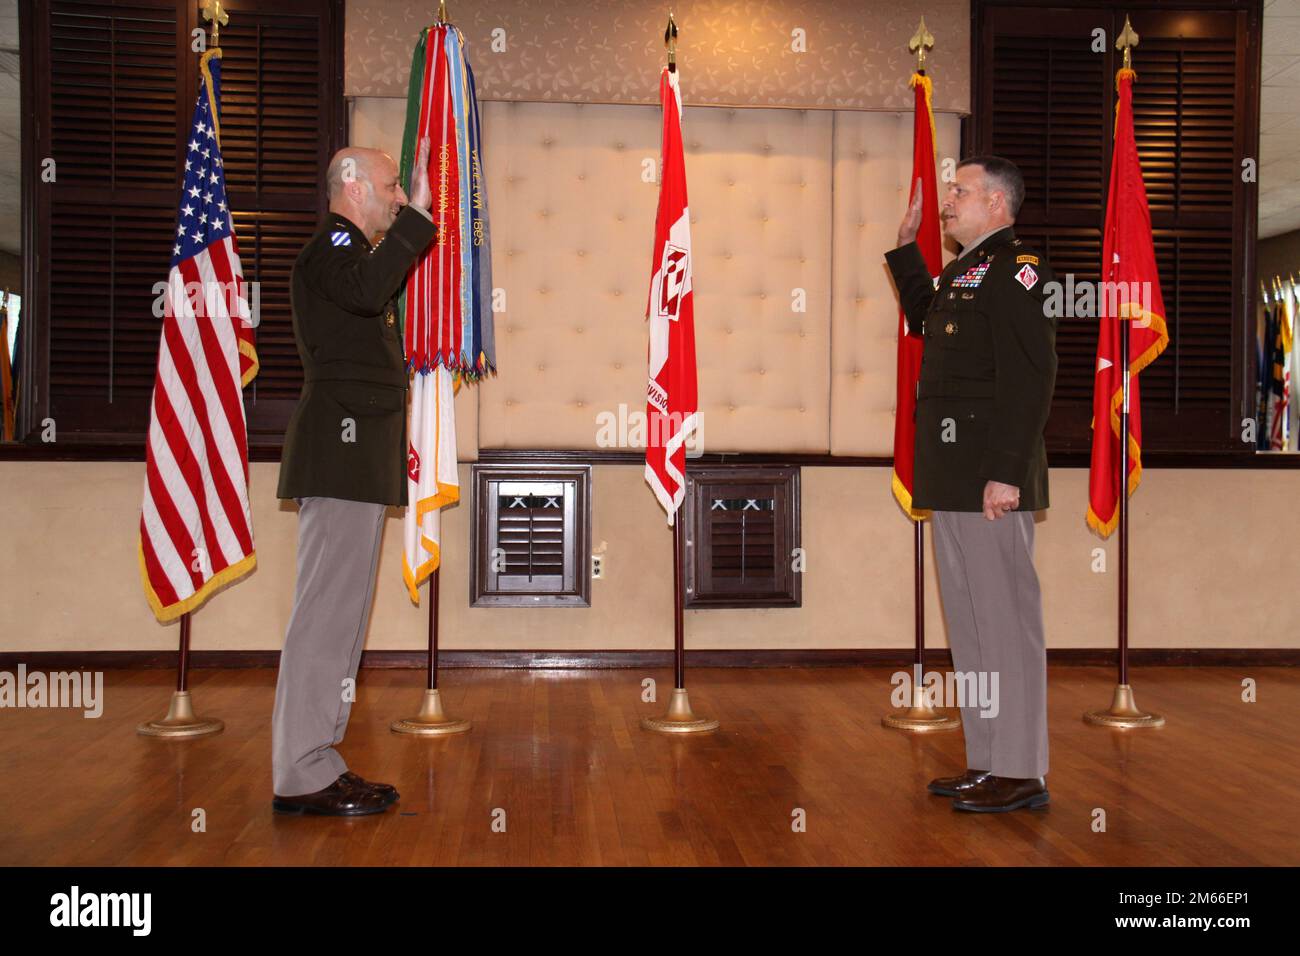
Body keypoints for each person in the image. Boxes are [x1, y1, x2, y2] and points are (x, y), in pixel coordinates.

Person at [885, 156, 1058, 813]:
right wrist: (907, 252)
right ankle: (989, 761)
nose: (948, 201)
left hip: (990, 477)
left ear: (998, 205)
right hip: (955, 475)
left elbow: (1031, 373)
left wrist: (1006, 471)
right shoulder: (968, 268)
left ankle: (1022, 769)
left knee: (1007, 626)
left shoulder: (1020, 270)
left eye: (960, 191)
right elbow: (932, 322)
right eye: (950, 191)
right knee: (973, 626)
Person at [270, 142, 434, 816]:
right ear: (354, 186)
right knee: (325, 619)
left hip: (355, 459)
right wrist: (417, 221)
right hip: (340, 458)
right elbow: (368, 293)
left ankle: (316, 762)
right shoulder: (330, 251)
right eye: (392, 187)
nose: (398, 197)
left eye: (402, 191)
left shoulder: (345, 254)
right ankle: (303, 770)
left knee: (339, 622)